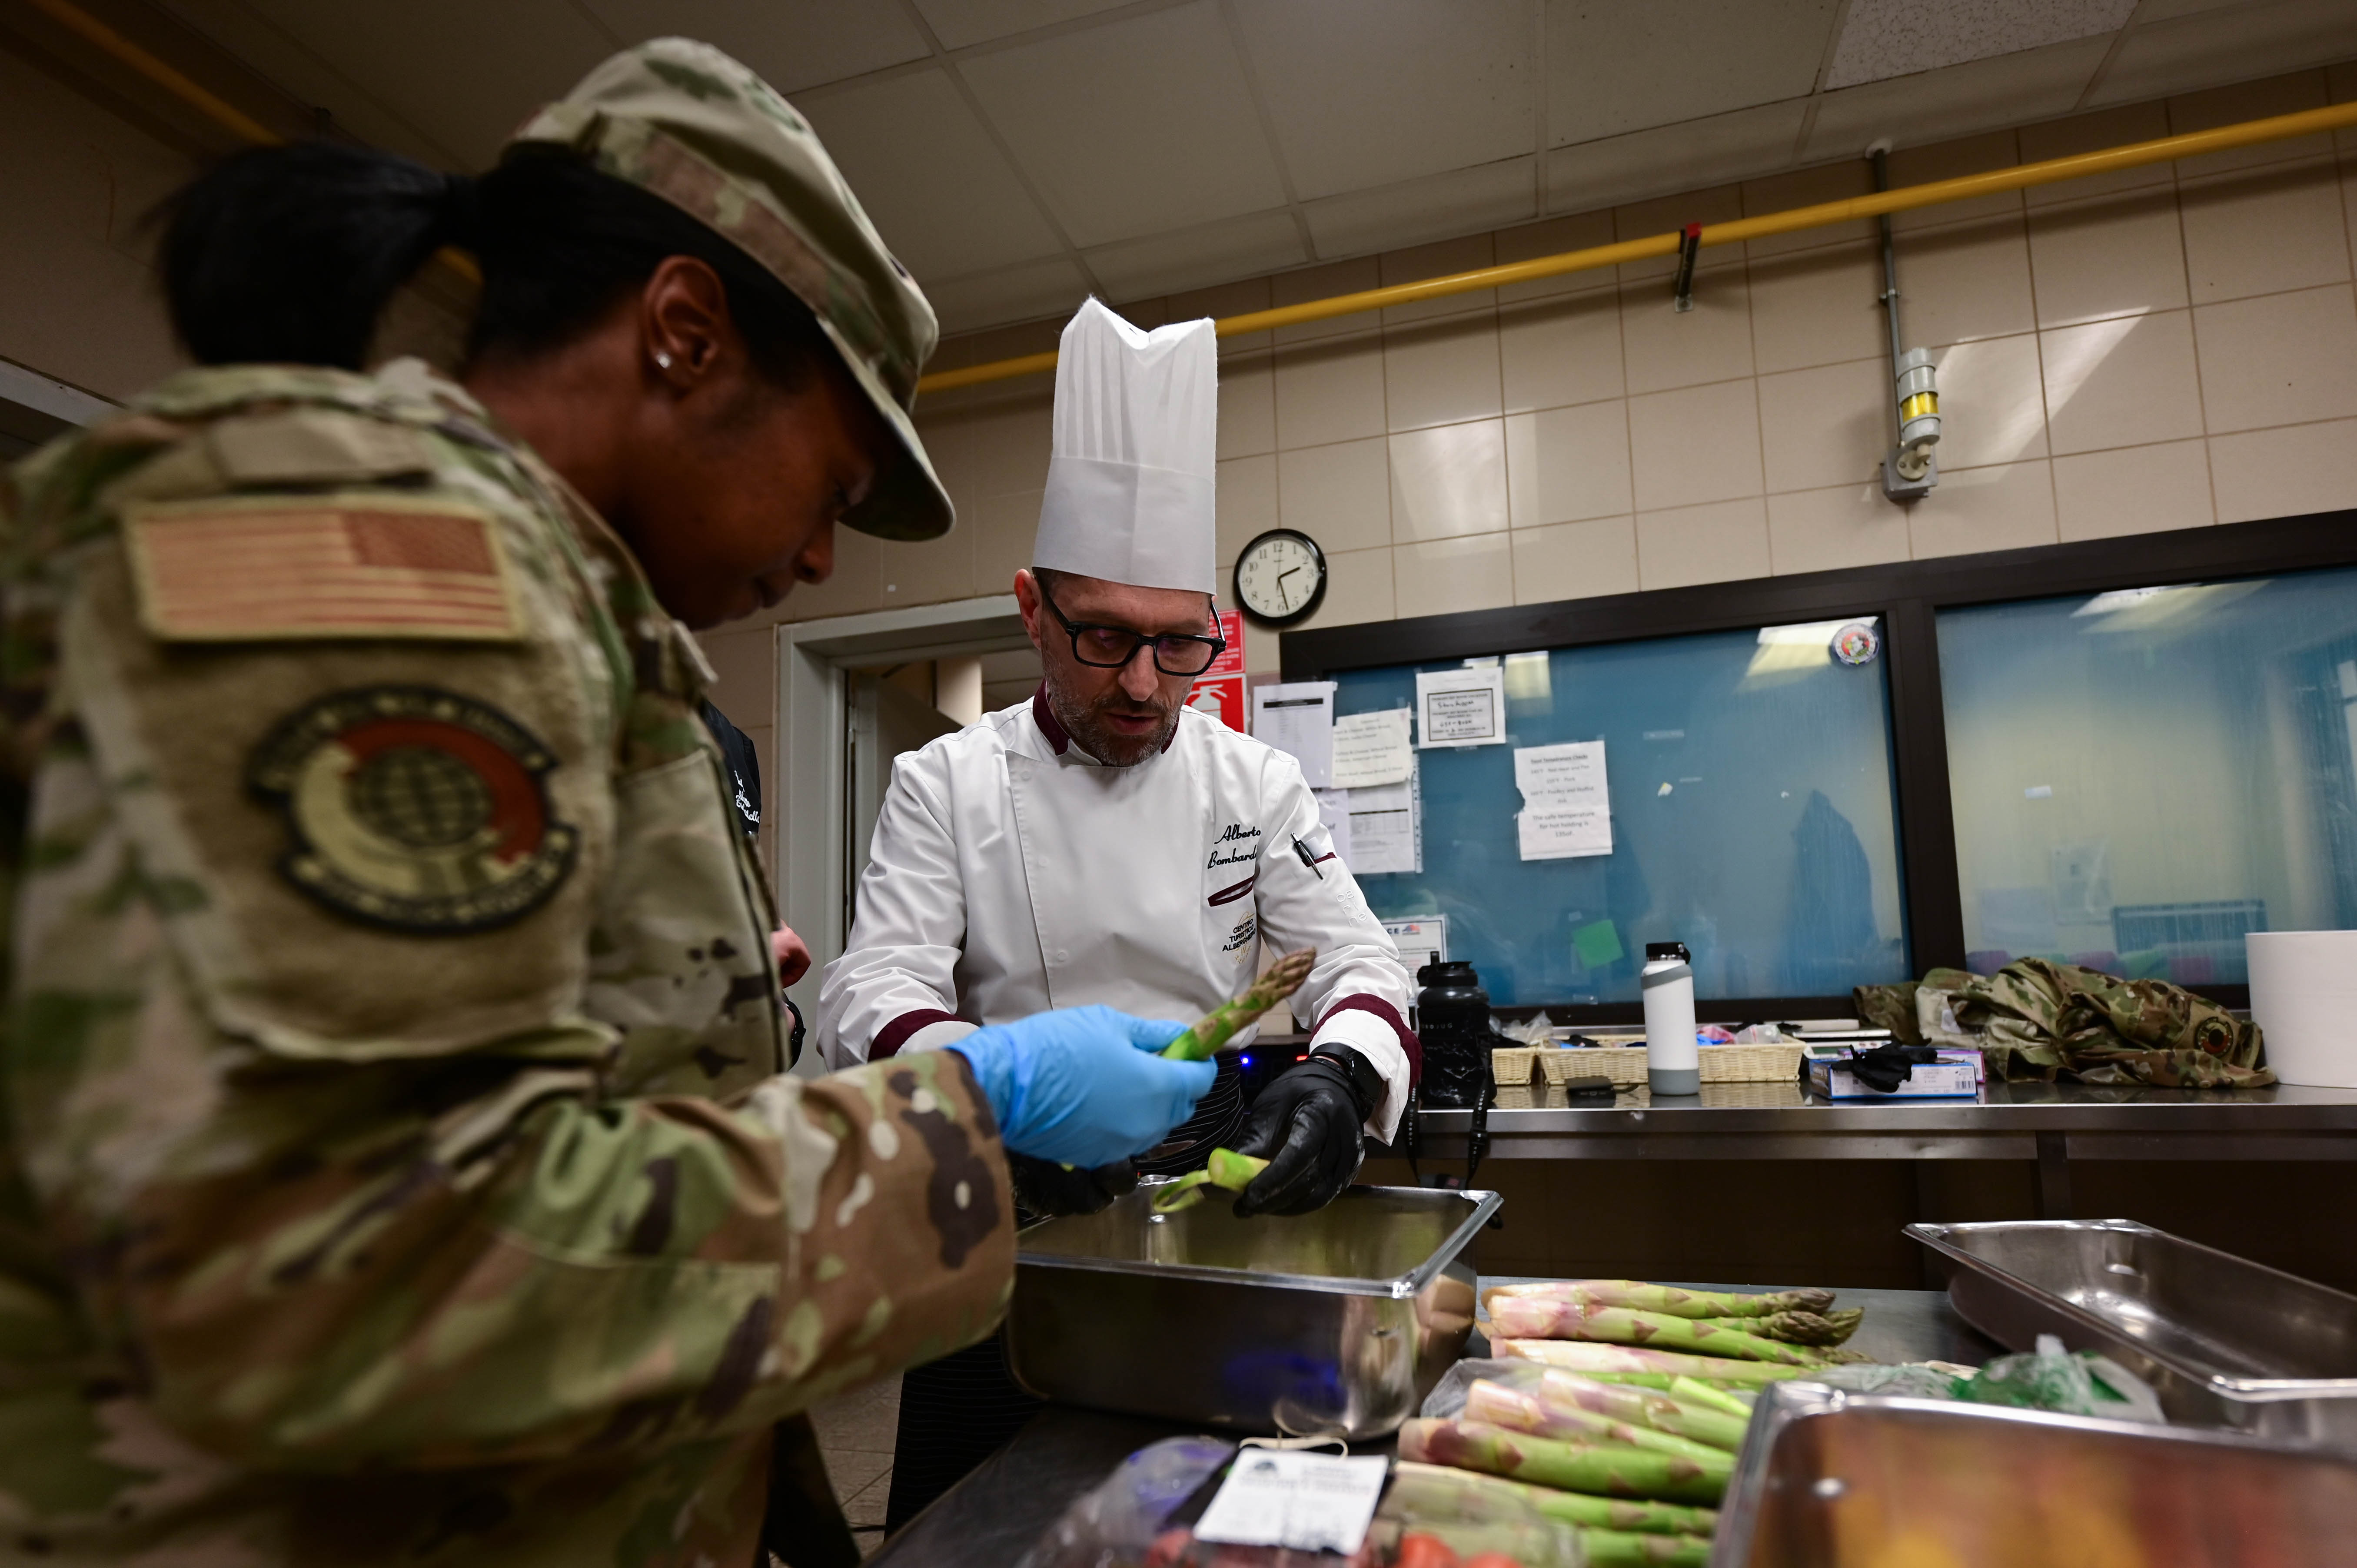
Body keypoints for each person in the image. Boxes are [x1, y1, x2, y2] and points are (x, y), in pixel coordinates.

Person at [0, 39, 1213, 1566]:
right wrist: (964, 1122)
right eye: (833, 490)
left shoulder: (576, 627)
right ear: (683, 334)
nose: (822, 560)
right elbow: (384, 1269)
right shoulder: (388, 577)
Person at [815, 299, 1420, 1523]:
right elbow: (874, 987)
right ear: (1031, 608)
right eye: (1103, 638)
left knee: (1212, 1510)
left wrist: (1341, 1075)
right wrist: (993, 1090)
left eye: (1178, 646)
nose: (1145, 686)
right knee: (978, 1513)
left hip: (1212, 1183)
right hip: (1008, 1188)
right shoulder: (947, 781)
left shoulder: (1254, 780)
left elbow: (1356, 957)